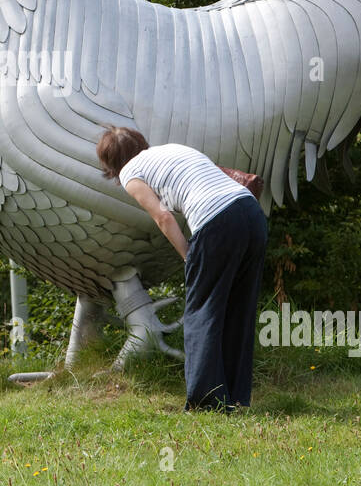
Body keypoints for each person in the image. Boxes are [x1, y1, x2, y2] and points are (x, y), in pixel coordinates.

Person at [96, 126, 266, 411]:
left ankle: (206, 402)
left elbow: (163, 218)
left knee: (201, 311)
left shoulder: (130, 173)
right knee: (239, 309)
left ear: (112, 164)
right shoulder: (173, 150)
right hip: (250, 212)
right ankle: (237, 399)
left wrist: (189, 255)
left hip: (217, 221)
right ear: (141, 143)